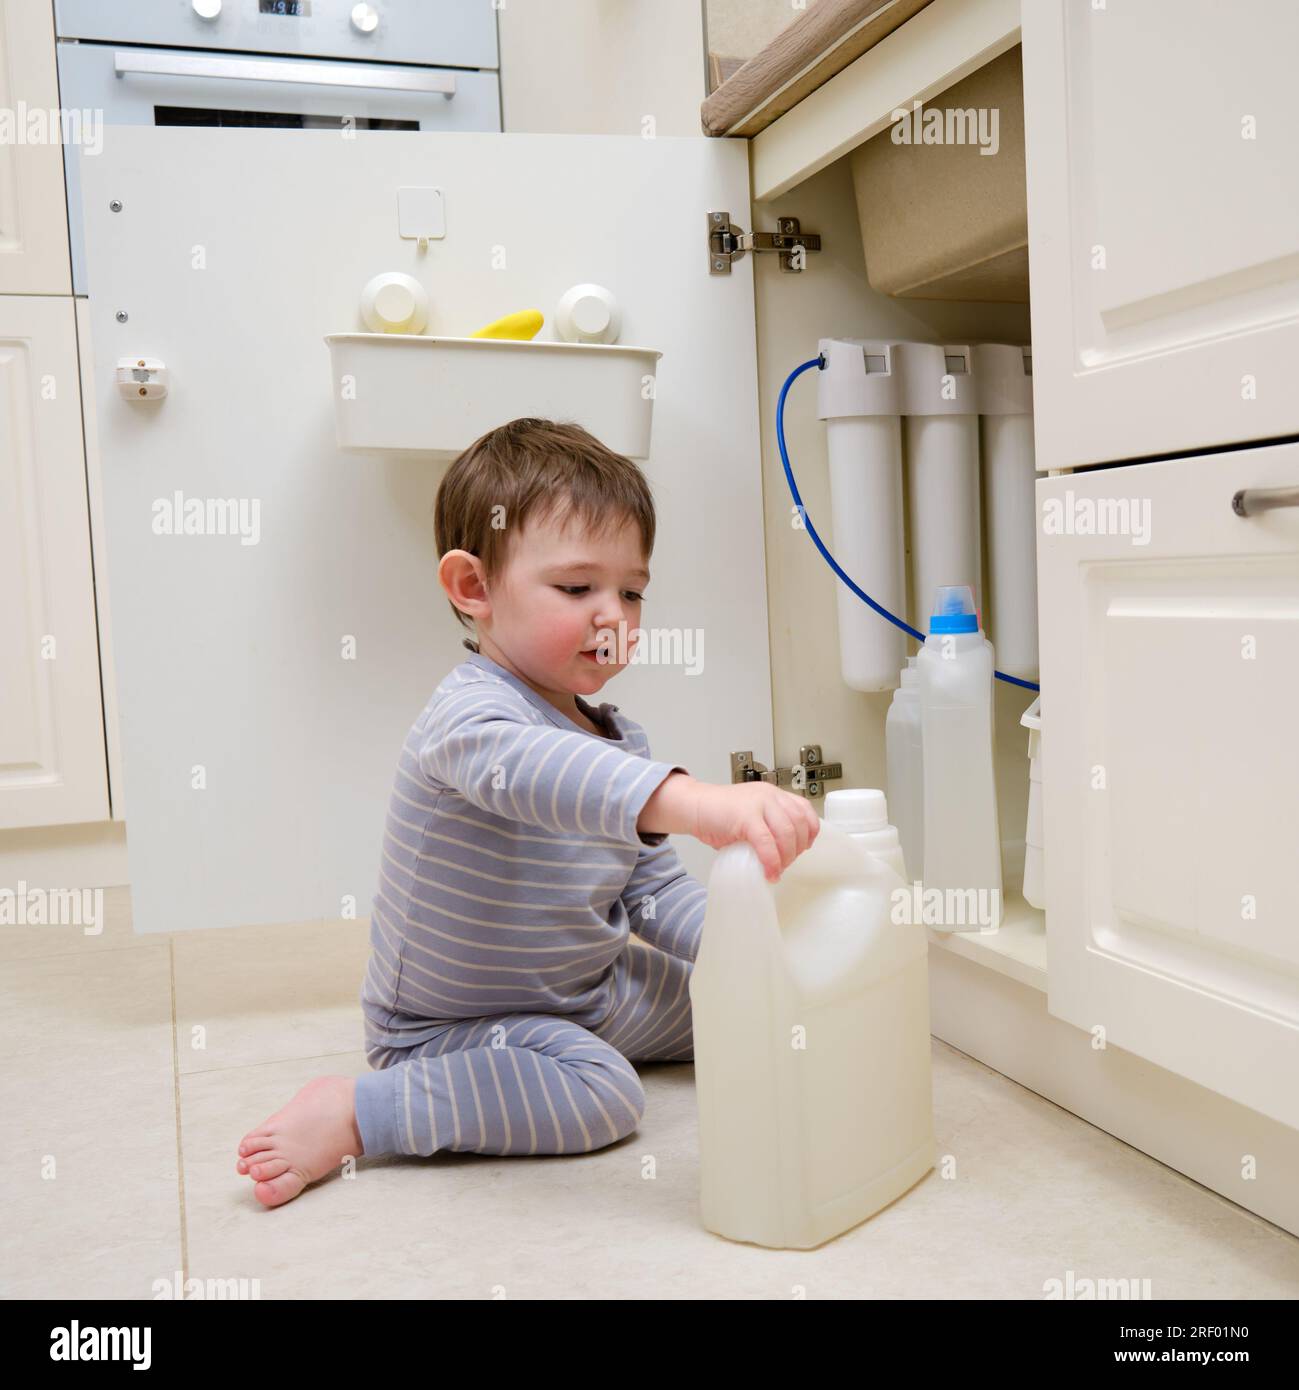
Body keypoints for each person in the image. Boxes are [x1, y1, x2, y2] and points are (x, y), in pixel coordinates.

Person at [237, 418, 817, 1207]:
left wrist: (748, 945)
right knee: (602, 1095)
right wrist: (693, 801)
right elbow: (545, 775)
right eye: (577, 589)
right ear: (474, 588)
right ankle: (358, 1114)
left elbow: (649, 892)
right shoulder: (466, 720)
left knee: (733, 999)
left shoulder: (617, 739)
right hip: (453, 1023)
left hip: (588, 988)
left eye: (632, 592)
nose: (613, 616)